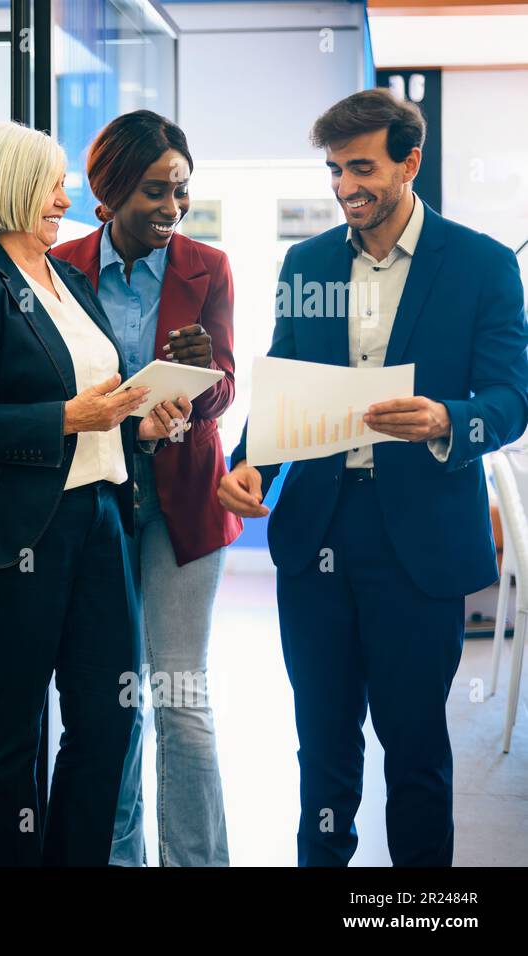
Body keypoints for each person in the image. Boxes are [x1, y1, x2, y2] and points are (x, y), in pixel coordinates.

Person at [217, 88, 528, 866]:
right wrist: (249, 462)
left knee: (415, 749)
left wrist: (448, 419)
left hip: (420, 540)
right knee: (322, 746)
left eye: (361, 168)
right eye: (334, 170)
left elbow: (511, 401)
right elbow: (285, 382)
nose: (345, 186)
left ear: (409, 162)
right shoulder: (308, 263)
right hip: (317, 533)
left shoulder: (483, 266)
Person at [0, 121, 190, 866]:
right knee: (13, 733)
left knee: (107, 721)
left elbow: (101, 407)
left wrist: (142, 424)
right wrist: (65, 419)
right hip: (25, 534)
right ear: (9, 187)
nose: (64, 199)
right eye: (50, 185)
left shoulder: (71, 281)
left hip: (101, 519)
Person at [51, 111, 238, 867]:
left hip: (183, 504)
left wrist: (202, 375)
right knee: (112, 702)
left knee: (179, 696)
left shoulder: (207, 267)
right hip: (97, 500)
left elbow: (223, 394)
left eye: (181, 190)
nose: (172, 207)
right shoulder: (60, 269)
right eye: (155, 191)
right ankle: (115, 858)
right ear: (109, 194)